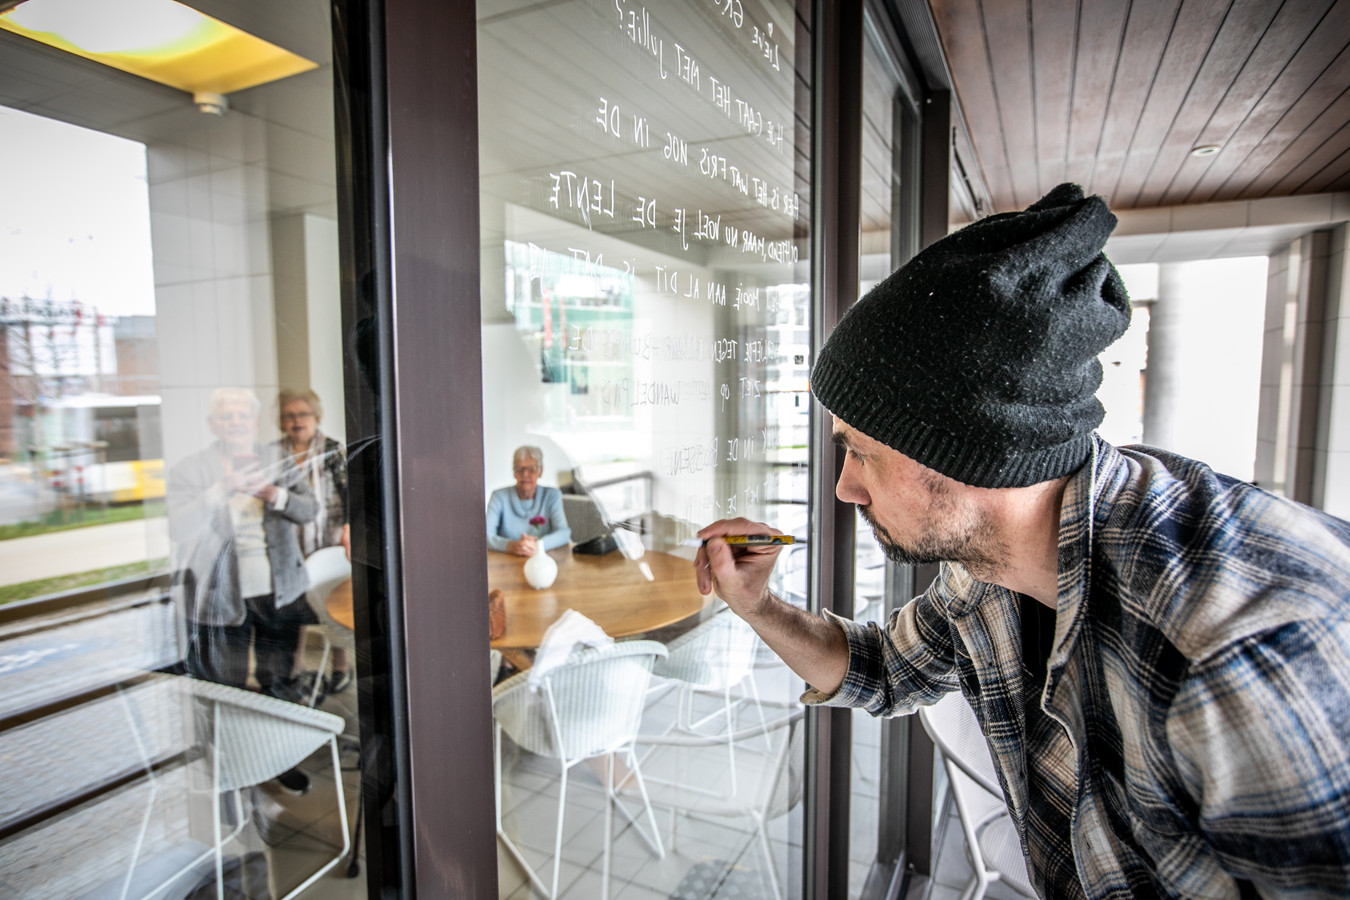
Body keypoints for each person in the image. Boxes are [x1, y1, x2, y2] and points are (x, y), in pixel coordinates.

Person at [696, 183, 1350, 898]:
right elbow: (882, 670)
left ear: (971, 450)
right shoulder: (986, 567)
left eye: (862, 453)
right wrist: (758, 605)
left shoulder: (1254, 653)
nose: (845, 488)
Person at [168, 386, 319, 794]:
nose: (235, 423)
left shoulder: (278, 461)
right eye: (226, 416)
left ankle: (280, 759)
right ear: (213, 425)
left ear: (254, 423)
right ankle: (236, 765)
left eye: (242, 416)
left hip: (281, 591)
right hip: (221, 598)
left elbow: (309, 510)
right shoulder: (193, 468)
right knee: (229, 688)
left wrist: (275, 493)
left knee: (281, 682)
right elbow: (177, 528)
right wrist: (220, 491)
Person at [275, 387, 352, 695]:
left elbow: (349, 492)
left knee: (329, 601)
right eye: (290, 415)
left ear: (316, 417)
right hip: (290, 542)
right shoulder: (275, 453)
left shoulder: (332, 449)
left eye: (303, 414)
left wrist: (348, 529)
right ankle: (294, 671)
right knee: (296, 607)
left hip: (328, 537)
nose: (297, 421)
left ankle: (340, 668)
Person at [486, 445, 571, 556]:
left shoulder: (552, 495)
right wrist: (511, 546)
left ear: (540, 471)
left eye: (532, 469)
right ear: (514, 472)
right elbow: (485, 535)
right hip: (505, 561)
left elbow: (564, 533)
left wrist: (537, 545)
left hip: (543, 560)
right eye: (519, 469)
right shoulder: (499, 496)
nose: (525, 474)